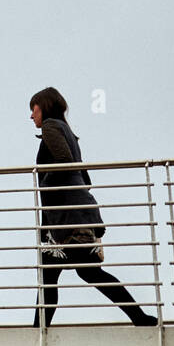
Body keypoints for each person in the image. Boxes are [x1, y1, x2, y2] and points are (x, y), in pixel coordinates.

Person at [28, 87, 157, 327]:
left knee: (65, 276)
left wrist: (45, 186)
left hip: (66, 221)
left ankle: (37, 334)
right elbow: (85, 179)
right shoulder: (69, 133)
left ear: (43, 106)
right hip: (74, 215)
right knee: (65, 275)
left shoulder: (50, 127)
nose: (31, 116)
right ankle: (139, 317)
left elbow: (65, 163)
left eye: (33, 109)